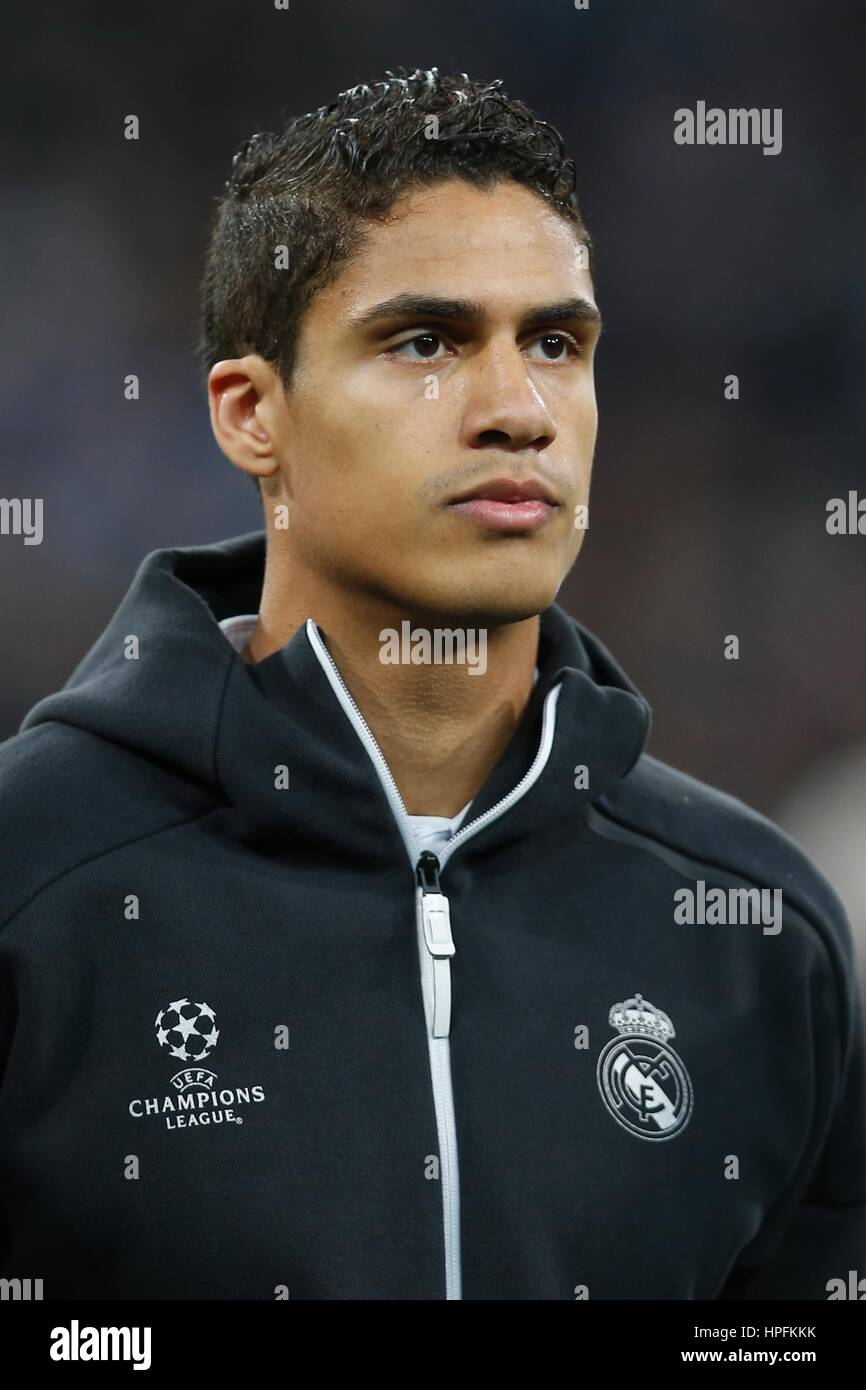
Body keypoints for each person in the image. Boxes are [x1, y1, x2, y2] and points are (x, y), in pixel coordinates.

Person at [0, 67, 863, 1301]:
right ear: (252, 413)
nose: (517, 409)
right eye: (425, 341)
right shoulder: (31, 875)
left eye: (556, 344)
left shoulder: (754, 930)